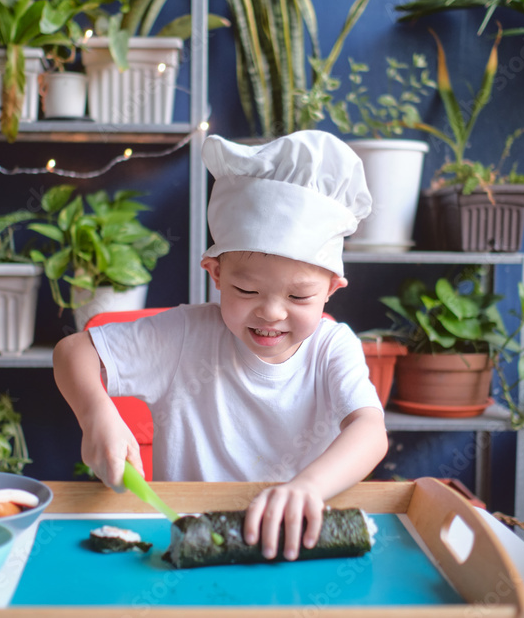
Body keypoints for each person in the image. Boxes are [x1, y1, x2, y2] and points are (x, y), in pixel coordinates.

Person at [53, 130, 388, 562]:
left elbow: (370, 431)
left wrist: (307, 488)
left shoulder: (331, 348)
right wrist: (95, 413)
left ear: (331, 290)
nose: (271, 313)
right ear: (215, 273)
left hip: (299, 543)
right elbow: (71, 351)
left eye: (299, 297)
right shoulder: (185, 337)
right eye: (246, 291)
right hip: (192, 542)